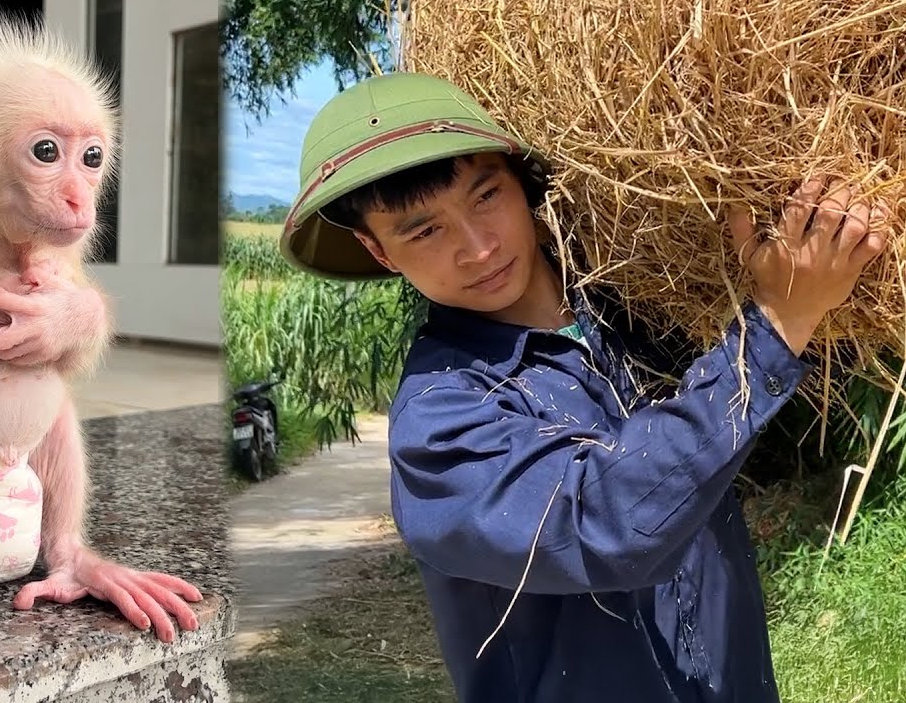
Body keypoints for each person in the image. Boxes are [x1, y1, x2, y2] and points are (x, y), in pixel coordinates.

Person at [277, 72, 890, 702]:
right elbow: (608, 524)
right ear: (378, 251)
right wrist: (778, 323)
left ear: (522, 183)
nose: (479, 248)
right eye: (423, 230)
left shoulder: (639, 316)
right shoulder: (440, 420)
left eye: (486, 196)